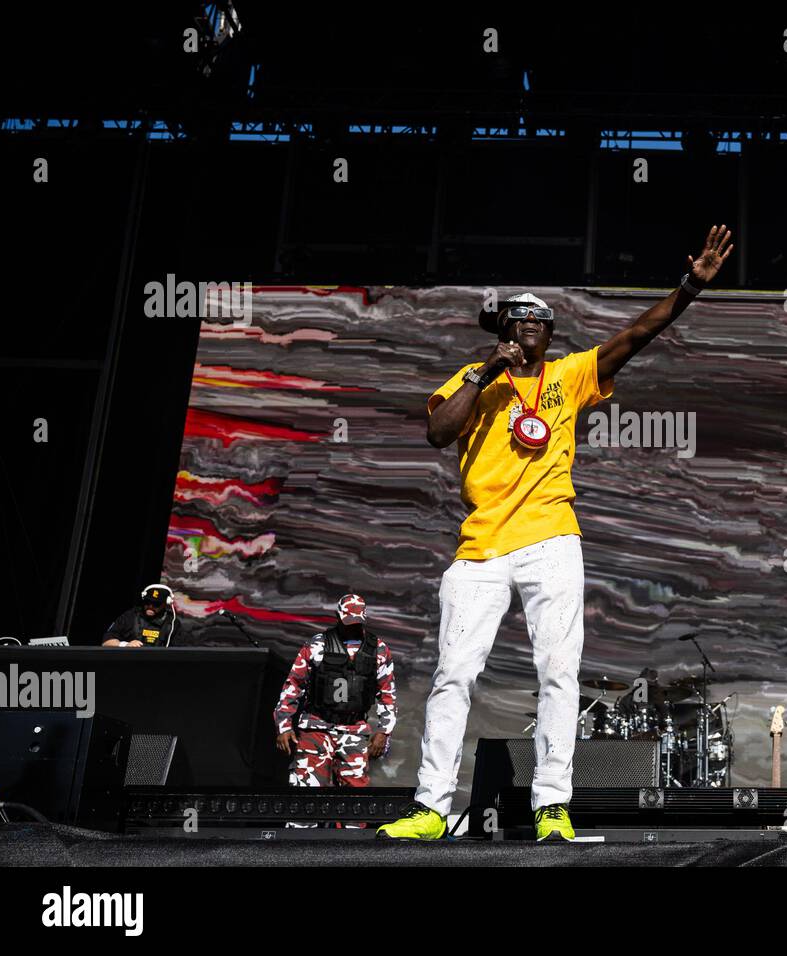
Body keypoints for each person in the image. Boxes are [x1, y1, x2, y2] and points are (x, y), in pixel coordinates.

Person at [378, 225, 735, 841]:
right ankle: (432, 808)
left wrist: (689, 288)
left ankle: (551, 805)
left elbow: (636, 335)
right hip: (481, 547)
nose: (529, 330)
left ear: (551, 334)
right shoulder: (474, 379)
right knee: (454, 674)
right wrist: (484, 373)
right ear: (503, 334)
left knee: (558, 673)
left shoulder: (569, 377)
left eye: (540, 323)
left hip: (551, 539)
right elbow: (438, 433)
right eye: (518, 323)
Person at [274, 594, 397, 807]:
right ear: (338, 617)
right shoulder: (316, 646)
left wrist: (384, 732)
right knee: (306, 800)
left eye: (357, 622)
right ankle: (300, 840)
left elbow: (387, 694)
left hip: (354, 730)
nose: (353, 627)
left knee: (355, 804)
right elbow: (293, 685)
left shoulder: (378, 649)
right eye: (348, 621)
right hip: (316, 728)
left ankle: (349, 841)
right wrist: (283, 726)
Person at [102, 584, 178, 647]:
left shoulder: (173, 623)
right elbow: (106, 642)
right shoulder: (130, 616)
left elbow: (183, 650)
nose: (150, 606)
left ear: (165, 604)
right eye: (147, 602)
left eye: (156, 604)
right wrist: (126, 645)